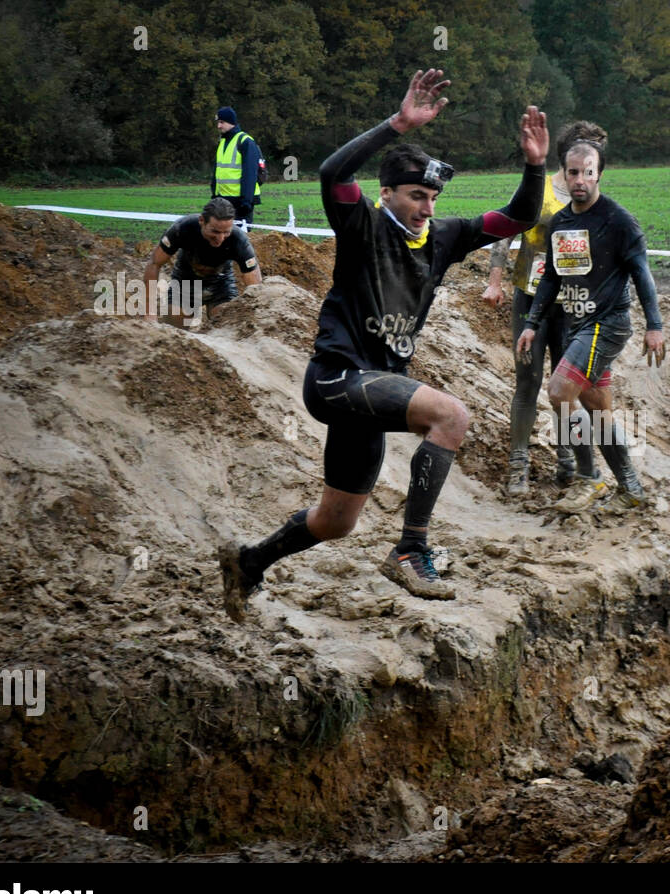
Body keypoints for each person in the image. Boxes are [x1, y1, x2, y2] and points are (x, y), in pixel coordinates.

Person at [217, 68, 549, 618]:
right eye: (416, 196)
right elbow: (331, 171)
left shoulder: (445, 237)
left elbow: (519, 217)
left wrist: (535, 165)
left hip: (367, 403)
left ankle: (250, 563)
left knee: (335, 522)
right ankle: (411, 549)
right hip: (335, 379)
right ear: (386, 193)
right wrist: (396, 125)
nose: (427, 207)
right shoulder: (361, 225)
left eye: (433, 197)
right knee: (452, 417)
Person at [516, 139, 666, 513]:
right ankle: (631, 488)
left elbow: (642, 275)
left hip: (608, 324)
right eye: (573, 172)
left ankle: (589, 479)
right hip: (576, 324)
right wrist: (532, 323)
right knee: (596, 411)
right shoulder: (561, 222)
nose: (580, 179)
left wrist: (654, 325)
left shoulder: (619, 220)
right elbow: (550, 277)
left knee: (558, 392)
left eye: (588, 172)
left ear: (599, 174)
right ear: (563, 174)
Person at [482, 121, 608, 497]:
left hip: (572, 306)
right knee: (528, 380)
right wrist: (494, 280)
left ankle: (567, 457)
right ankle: (518, 463)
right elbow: (506, 231)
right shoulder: (540, 190)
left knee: (566, 386)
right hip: (529, 297)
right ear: (567, 154)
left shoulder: (592, 194)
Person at [142, 196, 260, 325]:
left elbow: (254, 286)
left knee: (226, 324)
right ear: (202, 221)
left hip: (221, 285)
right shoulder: (183, 228)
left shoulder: (238, 240)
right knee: (171, 332)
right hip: (184, 282)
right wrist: (149, 312)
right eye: (214, 231)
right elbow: (154, 263)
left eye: (226, 232)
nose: (220, 239)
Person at [211, 106, 263, 228]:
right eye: (218, 122)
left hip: (240, 203)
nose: (219, 126)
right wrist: (215, 194)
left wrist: (246, 201)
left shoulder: (245, 141)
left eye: (221, 122)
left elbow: (250, 174)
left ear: (231, 122)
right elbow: (217, 170)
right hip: (223, 199)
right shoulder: (222, 142)